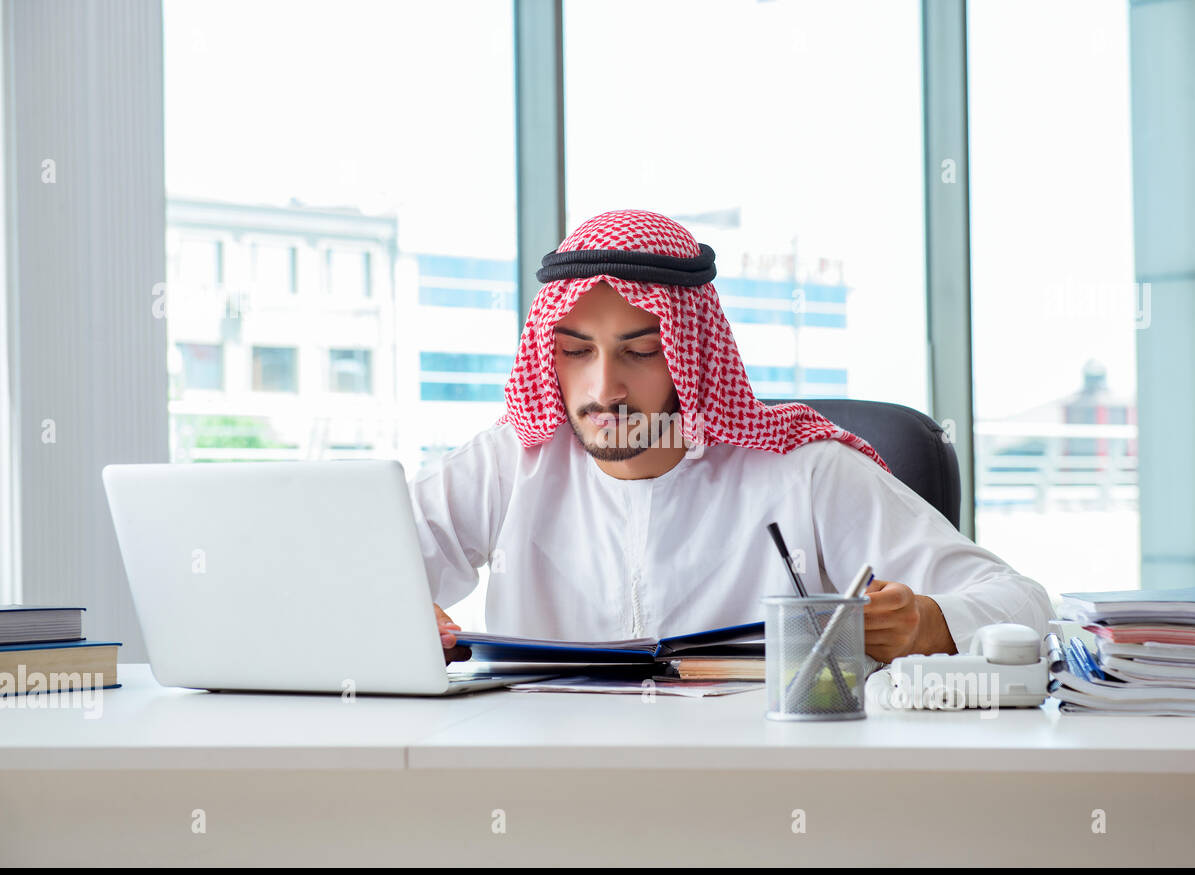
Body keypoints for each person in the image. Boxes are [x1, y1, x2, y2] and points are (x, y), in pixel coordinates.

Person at [410, 209, 1054, 665]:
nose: (603, 388)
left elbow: (1025, 604)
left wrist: (925, 623)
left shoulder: (804, 474)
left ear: (690, 353)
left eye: (639, 353)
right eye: (577, 352)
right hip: (540, 789)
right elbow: (347, 570)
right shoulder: (509, 464)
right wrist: (399, 619)